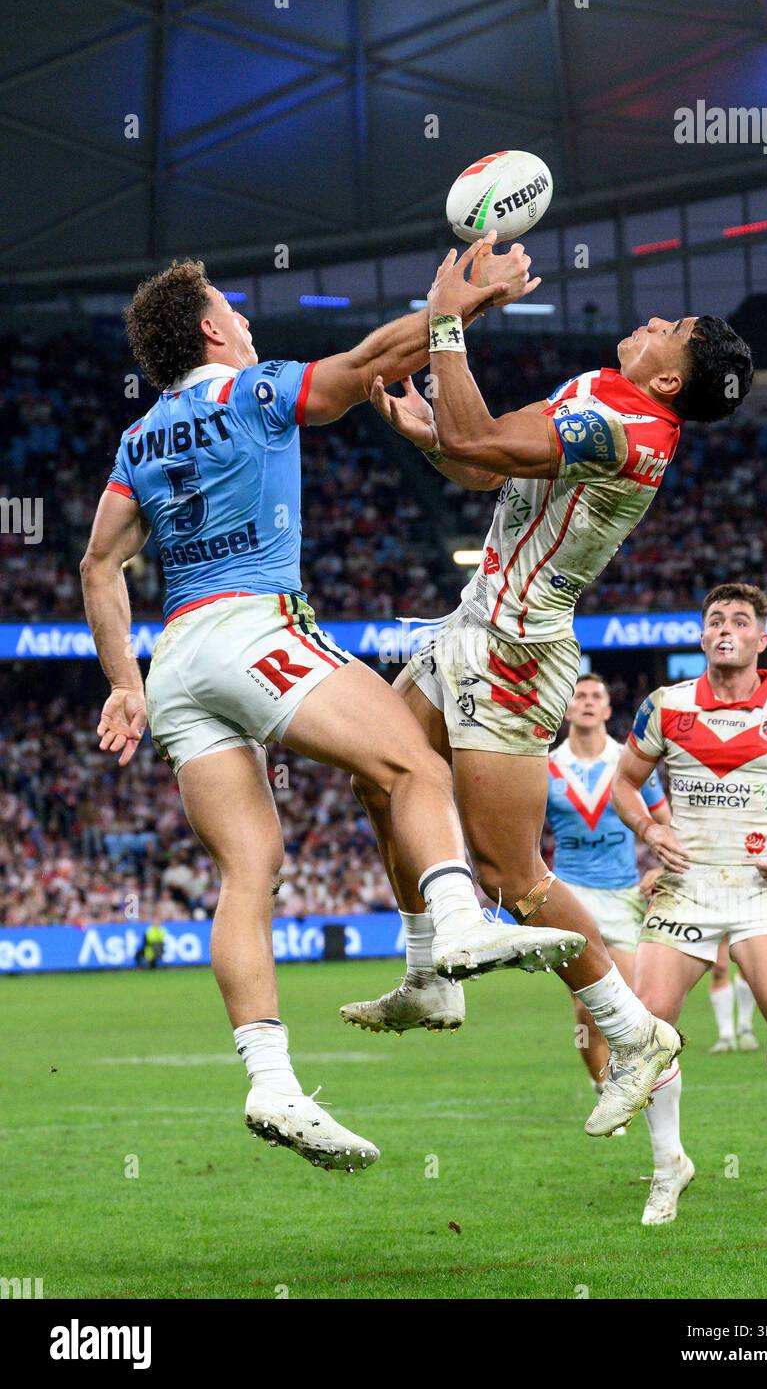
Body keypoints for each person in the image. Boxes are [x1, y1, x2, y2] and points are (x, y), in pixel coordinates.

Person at [80, 246, 585, 1176]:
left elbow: (98, 565)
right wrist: (448, 312)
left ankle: (270, 1079)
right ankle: (452, 930)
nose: (244, 315)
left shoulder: (139, 437)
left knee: (250, 872)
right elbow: (365, 368)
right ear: (209, 329)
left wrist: (124, 682)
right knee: (410, 764)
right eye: (231, 306)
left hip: (178, 660)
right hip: (253, 627)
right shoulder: (254, 391)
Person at [341, 245, 754, 1138]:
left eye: (666, 330)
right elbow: (487, 467)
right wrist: (430, 439)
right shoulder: (599, 390)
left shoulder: (631, 431)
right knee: (376, 771)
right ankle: (428, 981)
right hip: (471, 624)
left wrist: (447, 323)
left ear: (674, 378)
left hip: (517, 653)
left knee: (512, 877)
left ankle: (634, 1035)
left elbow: (478, 436)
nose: (649, 324)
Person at [612, 582, 767, 1224]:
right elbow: (625, 786)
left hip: (759, 888)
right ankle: (669, 1169)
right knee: (650, 1030)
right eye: (715, 619)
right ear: (701, 636)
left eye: (740, 621)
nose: (726, 628)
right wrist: (650, 829)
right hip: (685, 887)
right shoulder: (664, 706)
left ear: (760, 639)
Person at [545, 673, 669, 1111]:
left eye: (597, 695)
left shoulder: (629, 765)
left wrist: (659, 867)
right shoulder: (546, 768)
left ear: (609, 709)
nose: (587, 702)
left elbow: (664, 824)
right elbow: (519, 836)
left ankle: (628, 1082)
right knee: (586, 1012)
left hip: (623, 897)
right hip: (572, 898)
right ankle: (607, 1095)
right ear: (566, 707)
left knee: (635, 1005)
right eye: (579, 695)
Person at [707, 937, 758, 1053]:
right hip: (716, 919)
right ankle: (726, 1037)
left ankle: (745, 1028)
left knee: (746, 967)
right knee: (718, 970)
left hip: (744, 920)